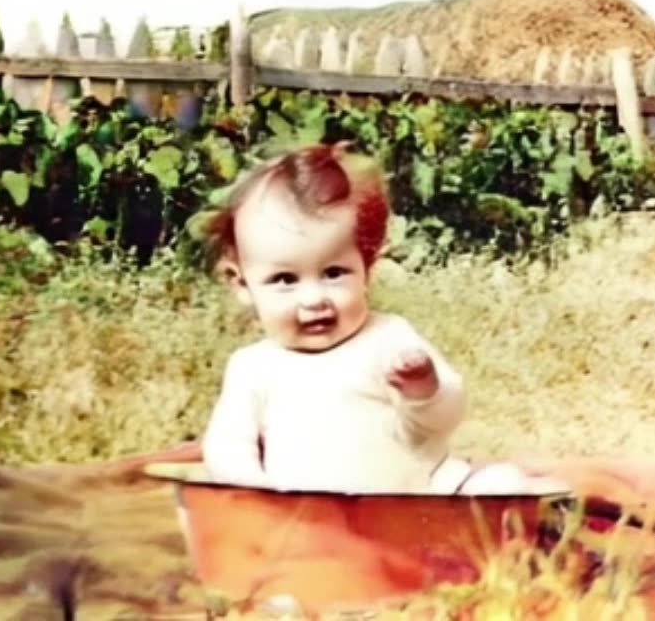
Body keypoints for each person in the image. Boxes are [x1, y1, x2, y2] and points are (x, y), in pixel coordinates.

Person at [196, 141, 546, 496]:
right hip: (305, 522)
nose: (314, 299)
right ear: (241, 283)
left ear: (367, 267)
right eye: (285, 280)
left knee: (503, 486)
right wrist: (256, 492)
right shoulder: (252, 368)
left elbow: (446, 418)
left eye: (334, 273)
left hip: (417, 502)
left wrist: (423, 390)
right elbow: (227, 446)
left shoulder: (388, 339)